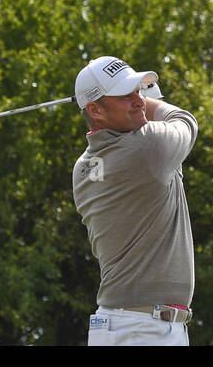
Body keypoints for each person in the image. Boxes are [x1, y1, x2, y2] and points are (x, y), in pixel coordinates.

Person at [72, 55, 199, 345]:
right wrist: (151, 100)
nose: (138, 101)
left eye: (138, 92)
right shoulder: (148, 148)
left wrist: (134, 101)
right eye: (125, 95)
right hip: (145, 329)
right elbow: (185, 120)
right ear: (95, 109)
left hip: (130, 325)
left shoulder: (83, 168)